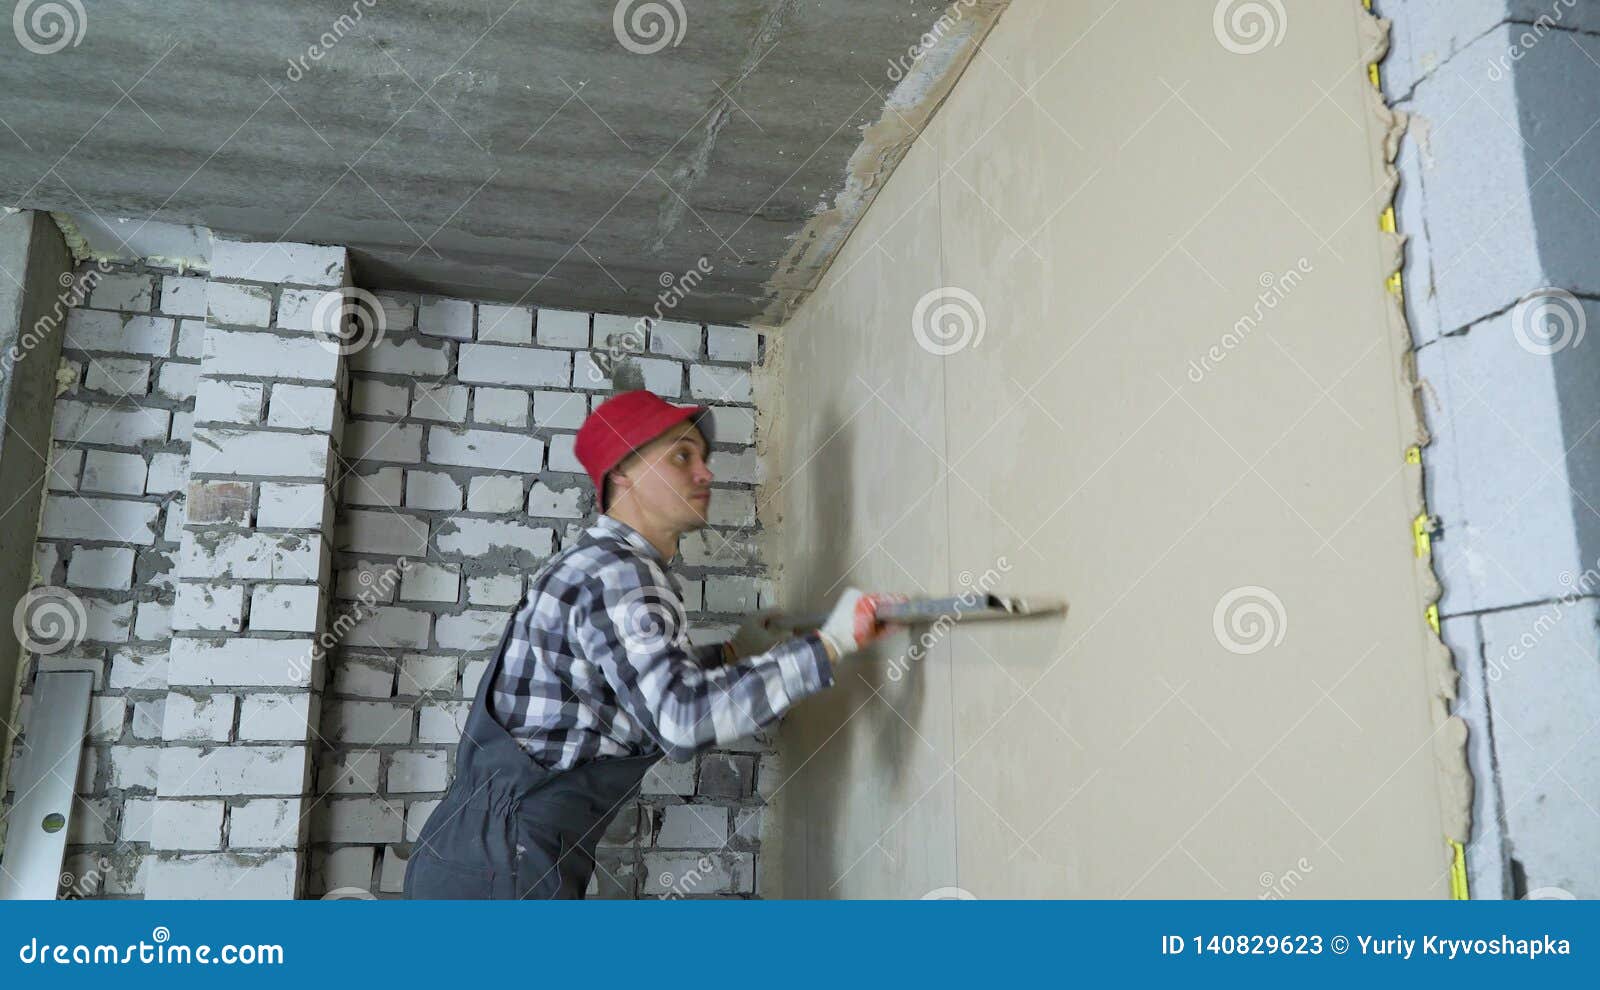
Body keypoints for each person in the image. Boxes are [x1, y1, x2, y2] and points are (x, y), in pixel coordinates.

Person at [404, 388, 898, 899]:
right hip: (505, 863)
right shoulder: (624, 577)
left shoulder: (594, 564)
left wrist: (729, 657)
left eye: (702, 458)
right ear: (623, 473)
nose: (705, 473)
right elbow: (682, 721)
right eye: (682, 456)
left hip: (475, 852)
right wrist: (831, 644)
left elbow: (615, 687)